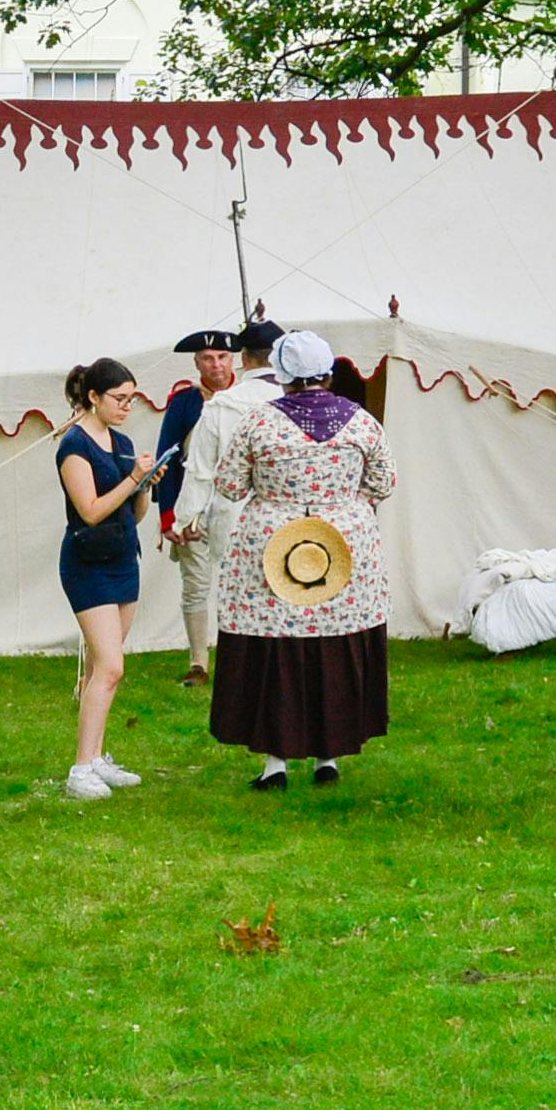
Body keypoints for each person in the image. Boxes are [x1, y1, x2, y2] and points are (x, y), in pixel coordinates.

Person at [210, 329, 397, 789]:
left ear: (283, 375)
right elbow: (384, 481)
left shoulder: (259, 423)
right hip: (343, 546)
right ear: (328, 373)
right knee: (334, 645)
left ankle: (275, 764)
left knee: (276, 647)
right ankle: (327, 759)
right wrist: (343, 504)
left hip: (274, 547)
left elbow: (229, 485)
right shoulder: (362, 422)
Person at [55, 356, 163, 801]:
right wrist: (132, 477)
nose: (126, 407)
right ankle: (80, 769)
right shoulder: (73, 446)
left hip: (123, 558)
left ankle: (96, 757)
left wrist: (145, 486)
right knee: (112, 666)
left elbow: (132, 514)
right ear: (93, 397)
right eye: (119, 398)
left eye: (132, 399)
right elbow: (92, 510)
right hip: (88, 563)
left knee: (104, 669)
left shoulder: (121, 442)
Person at [155, 327, 261, 685]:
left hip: (238, 507)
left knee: (244, 584)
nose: (216, 365)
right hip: (194, 508)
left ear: (234, 360)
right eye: (207, 358)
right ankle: (199, 662)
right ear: (197, 363)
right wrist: (169, 516)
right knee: (196, 585)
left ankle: (241, 659)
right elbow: (167, 459)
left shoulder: (248, 399)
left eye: (222, 357)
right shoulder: (184, 403)